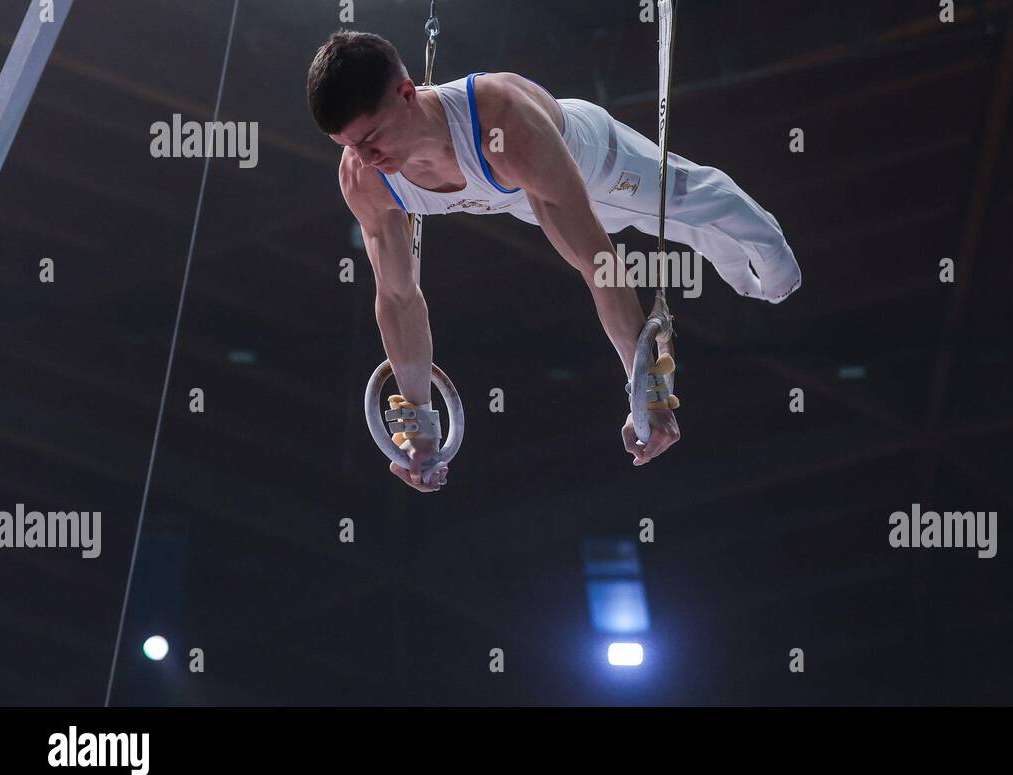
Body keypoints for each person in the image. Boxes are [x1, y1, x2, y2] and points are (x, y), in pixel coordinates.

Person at [307, 30, 800, 490]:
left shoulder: (503, 121)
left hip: (589, 157)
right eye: (349, 145)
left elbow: (597, 264)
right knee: (677, 228)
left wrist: (645, 386)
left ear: (407, 93)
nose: (365, 157)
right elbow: (397, 297)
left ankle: (777, 272)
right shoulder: (364, 178)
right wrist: (419, 424)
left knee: (691, 202)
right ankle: (743, 271)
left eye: (371, 138)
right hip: (522, 195)